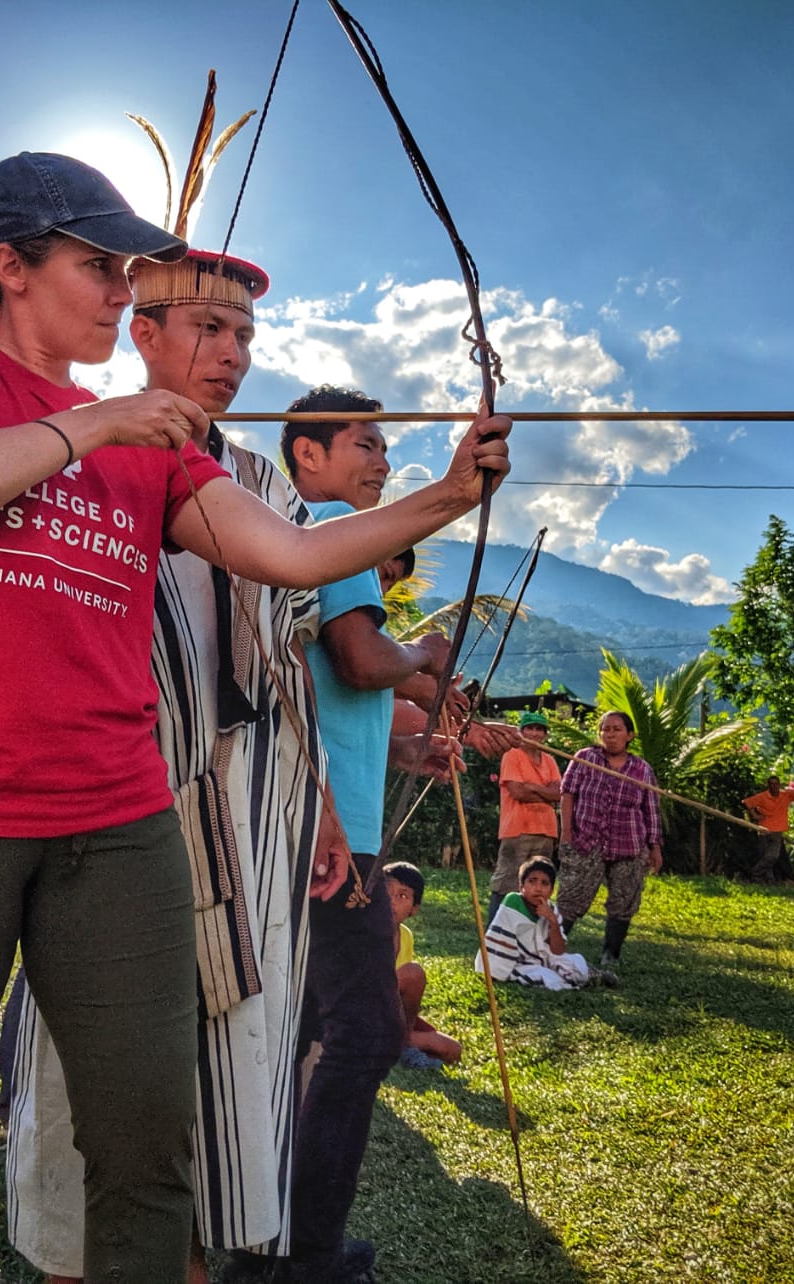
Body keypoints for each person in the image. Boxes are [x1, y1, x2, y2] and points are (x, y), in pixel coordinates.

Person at [0, 152, 509, 1283]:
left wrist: (448, 492)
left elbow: (287, 551)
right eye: (100, 266)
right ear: (11, 266)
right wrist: (98, 425)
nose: (119, 291)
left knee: (145, 1149)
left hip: (115, 823)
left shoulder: (153, 447)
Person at [4, 239, 341, 1281]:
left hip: (240, 812)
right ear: (136, 331)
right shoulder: (69, 454)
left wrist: (320, 807)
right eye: (206, 326)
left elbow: (285, 667)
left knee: (226, 1068)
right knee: (85, 1073)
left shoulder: (257, 488)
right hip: (106, 809)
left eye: (244, 334)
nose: (232, 352)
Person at [240, 384, 470, 1284]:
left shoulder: (312, 535)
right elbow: (363, 659)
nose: (381, 460)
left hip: (312, 816)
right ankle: (309, 1258)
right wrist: (424, 657)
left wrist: (410, 751)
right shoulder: (334, 527)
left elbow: (335, 696)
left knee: (297, 1033)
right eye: (366, 443)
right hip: (330, 834)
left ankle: (264, 1237)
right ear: (309, 455)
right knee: (367, 1034)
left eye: (384, 446)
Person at [555, 710, 663, 976]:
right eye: (606, 729)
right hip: (586, 839)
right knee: (571, 896)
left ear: (629, 735)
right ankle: (551, 949)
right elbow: (567, 794)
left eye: (616, 729)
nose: (610, 734)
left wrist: (655, 846)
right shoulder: (585, 759)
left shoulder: (641, 770)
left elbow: (651, 809)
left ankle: (610, 955)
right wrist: (566, 832)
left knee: (624, 899)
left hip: (629, 844)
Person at [384, 861, 462, 1069]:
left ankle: (399, 1042)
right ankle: (398, 1045)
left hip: (391, 1017)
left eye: (402, 896)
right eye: (386, 891)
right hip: (362, 1011)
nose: (391, 901)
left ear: (414, 909)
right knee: (413, 973)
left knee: (452, 1050)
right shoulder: (363, 929)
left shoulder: (406, 937)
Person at [477, 857, 599, 990]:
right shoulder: (513, 902)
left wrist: (552, 920)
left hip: (544, 958)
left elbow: (558, 950)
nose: (538, 888)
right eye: (532, 881)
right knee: (548, 978)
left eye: (545, 883)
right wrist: (494, 972)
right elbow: (500, 941)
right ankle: (584, 976)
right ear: (521, 886)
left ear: (551, 890)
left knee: (575, 967)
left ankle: (594, 974)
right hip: (518, 962)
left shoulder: (551, 909)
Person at [488, 710, 561, 926]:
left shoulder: (550, 761)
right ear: (521, 731)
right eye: (530, 728)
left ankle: (527, 929)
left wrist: (532, 787)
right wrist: (544, 791)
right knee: (507, 881)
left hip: (546, 830)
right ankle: (495, 929)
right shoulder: (512, 756)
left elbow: (558, 794)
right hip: (518, 829)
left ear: (545, 735)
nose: (534, 733)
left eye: (539, 729)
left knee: (537, 884)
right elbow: (517, 792)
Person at [742, 773, 794, 883]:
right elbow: (747, 802)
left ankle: (755, 873)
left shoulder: (785, 795)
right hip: (763, 830)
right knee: (764, 856)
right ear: (768, 785)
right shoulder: (762, 796)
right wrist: (754, 815)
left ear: (779, 785)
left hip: (777, 831)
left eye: (776, 784)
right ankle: (766, 880)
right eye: (772, 784)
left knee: (773, 856)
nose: (774, 786)